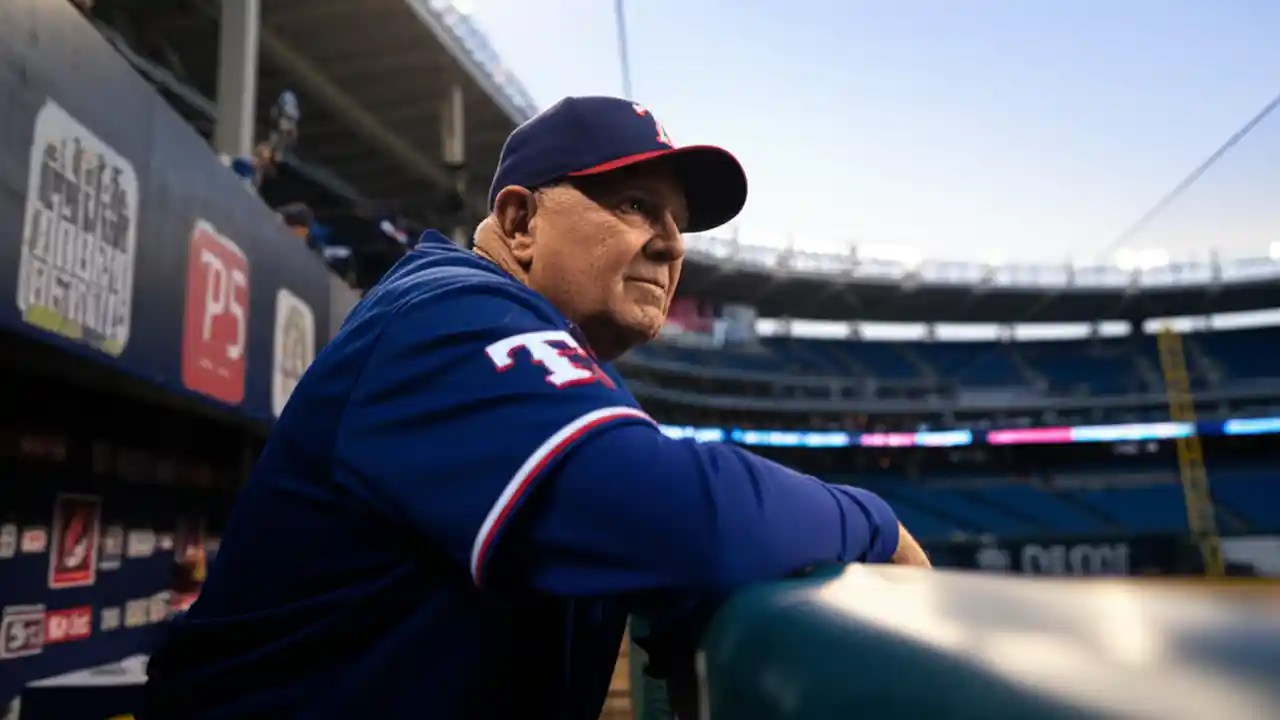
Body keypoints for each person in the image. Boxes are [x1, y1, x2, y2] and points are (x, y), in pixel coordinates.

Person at [140, 95, 929, 720]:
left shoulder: (525, 341)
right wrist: (874, 522)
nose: (671, 244)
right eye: (632, 206)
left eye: (677, 224)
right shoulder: (448, 314)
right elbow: (675, 518)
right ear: (519, 223)